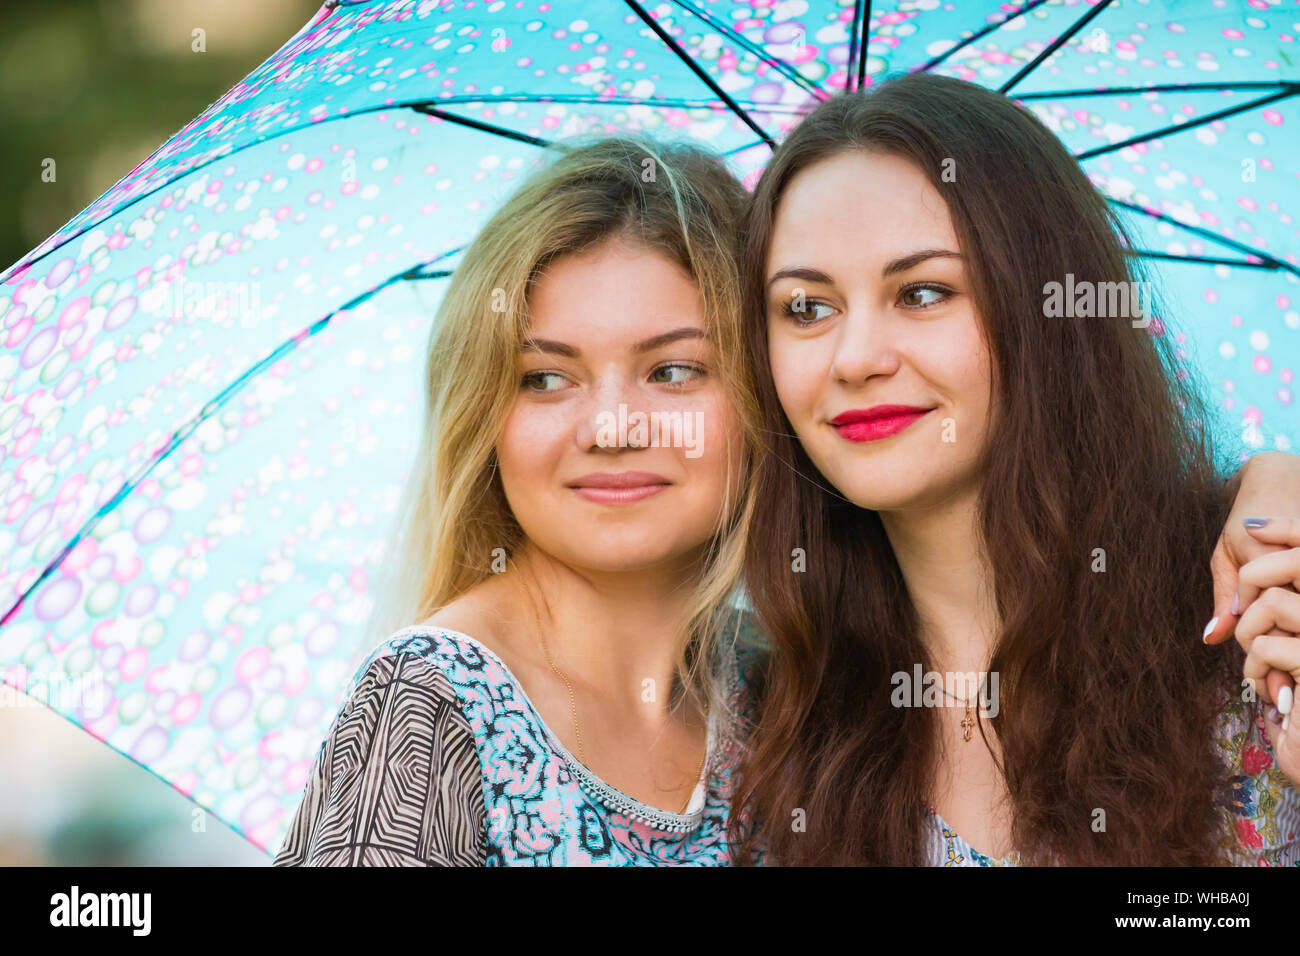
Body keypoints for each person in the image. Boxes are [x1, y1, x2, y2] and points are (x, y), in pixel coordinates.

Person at [729, 72, 1300, 866]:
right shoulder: (767, 736)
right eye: (805, 308)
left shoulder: (1255, 623)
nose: (854, 359)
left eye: (923, 292)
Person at [273, 135, 766, 865]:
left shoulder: (781, 689)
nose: (611, 427)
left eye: (672, 370)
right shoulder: (428, 705)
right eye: (544, 378)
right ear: (485, 417)